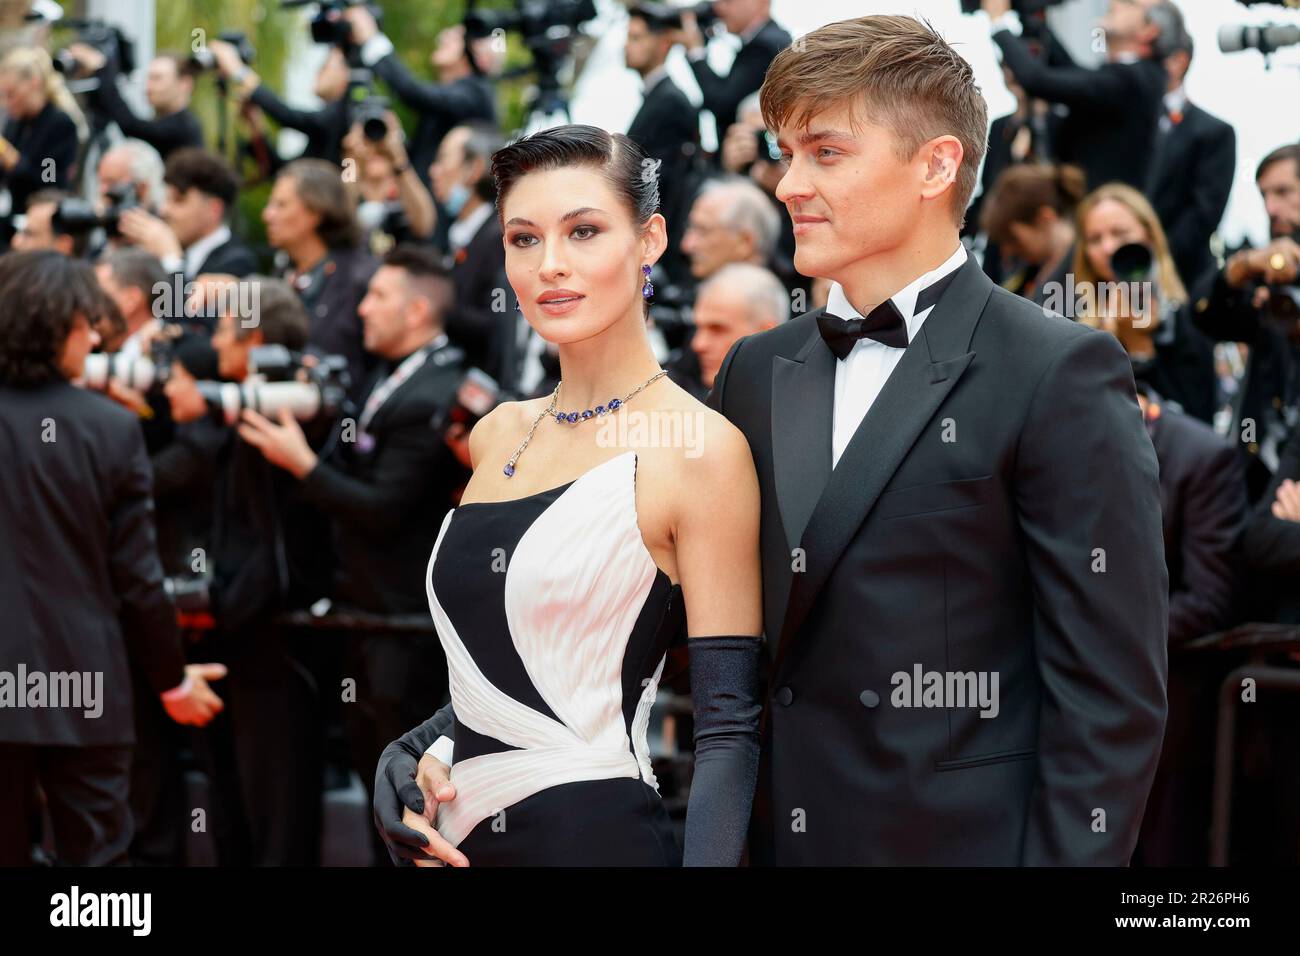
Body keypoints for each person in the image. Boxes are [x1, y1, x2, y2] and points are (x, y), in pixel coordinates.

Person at [715, 14, 1164, 864]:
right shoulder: (754, 369)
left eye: (826, 152)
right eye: (786, 155)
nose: (789, 186)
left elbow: (1110, 700)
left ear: (936, 164)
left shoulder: (1059, 370)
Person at [372, 125, 764, 867]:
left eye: (583, 231)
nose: (550, 265)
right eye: (523, 239)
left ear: (649, 240)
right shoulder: (497, 434)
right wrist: (412, 751)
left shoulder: (700, 449)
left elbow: (727, 729)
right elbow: (512, 666)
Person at [238, 245, 468, 865]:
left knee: (412, 794)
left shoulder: (437, 388)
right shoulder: (386, 376)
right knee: (377, 783)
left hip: (406, 623)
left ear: (418, 310)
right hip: (365, 614)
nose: (361, 308)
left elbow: (383, 507)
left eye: (378, 297)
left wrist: (302, 464)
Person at [0, 250, 225, 866]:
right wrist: (172, 680)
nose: (96, 334)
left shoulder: (109, 423)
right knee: (97, 871)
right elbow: (138, 580)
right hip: (83, 681)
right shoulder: (108, 427)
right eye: (84, 321)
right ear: (56, 325)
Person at [981, 0, 1175, 191]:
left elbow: (1038, 81)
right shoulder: (1135, 78)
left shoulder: (1136, 79)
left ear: (1149, 31)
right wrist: (1034, 19)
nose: (1113, 3)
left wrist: (998, 22)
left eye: (1128, 2)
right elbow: (1069, 72)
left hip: (1103, 211)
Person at [1072, 182, 1218, 425]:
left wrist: (1140, 346)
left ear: (1149, 236)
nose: (1108, 247)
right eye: (1095, 239)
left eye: (1120, 233)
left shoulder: (1187, 322)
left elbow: (1197, 421)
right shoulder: (1075, 328)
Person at [344, 8, 498, 191]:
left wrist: (371, 38)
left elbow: (413, 92)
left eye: (454, 38)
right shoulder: (449, 97)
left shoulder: (476, 91)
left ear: (479, 57)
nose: (442, 37)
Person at [264, 158, 376, 398]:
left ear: (315, 211)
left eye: (280, 205)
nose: (267, 215)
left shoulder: (358, 279)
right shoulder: (285, 271)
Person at [1143, 16, 1235, 292]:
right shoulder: (1123, 124)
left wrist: (1149, 263)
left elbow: (1203, 214)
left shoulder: (1213, 132)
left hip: (1182, 283)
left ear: (1177, 61)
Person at [118, 147, 259, 280]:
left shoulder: (237, 263)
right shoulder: (183, 253)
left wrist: (171, 259)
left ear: (214, 209)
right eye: (166, 199)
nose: (164, 210)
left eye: (178, 200)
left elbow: (180, 306)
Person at [210, 40, 350, 165]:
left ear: (347, 73)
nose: (317, 73)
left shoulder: (343, 115)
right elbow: (284, 170)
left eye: (324, 66)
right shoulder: (326, 139)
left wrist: (238, 70)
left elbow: (288, 116)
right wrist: (255, 124)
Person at [0, 47, 83, 247]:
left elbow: (49, 180)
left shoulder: (58, 124)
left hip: (43, 224)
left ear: (33, 83)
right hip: (12, 216)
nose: (6, 103)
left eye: (11, 94)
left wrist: (11, 158)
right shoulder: (16, 123)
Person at [677, 0, 791, 140]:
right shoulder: (769, 39)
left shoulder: (763, 46)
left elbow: (722, 103)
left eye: (728, 1)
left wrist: (696, 50)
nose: (718, 8)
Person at [68, 47, 204, 160]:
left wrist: (102, 68)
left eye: (157, 78)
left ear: (185, 83)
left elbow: (132, 126)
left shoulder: (184, 127)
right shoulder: (176, 122)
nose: (148, 87)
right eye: (149, 78)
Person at [979, 163, 1084, 305]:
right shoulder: (1029, 273)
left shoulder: (1085, 273)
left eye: (1013, 239)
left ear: (1045, 219)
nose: (1008, 252)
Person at [689, 261, 788, 393]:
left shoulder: (801, 406)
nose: (698, 344)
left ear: (766, 334)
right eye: (698, 328)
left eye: (717, 329)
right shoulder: (680, 393)